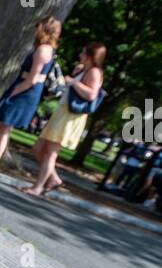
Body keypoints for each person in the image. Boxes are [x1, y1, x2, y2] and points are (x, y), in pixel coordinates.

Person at [0, 16, 62, 182]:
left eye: (39, 26)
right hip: (27, 91)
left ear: (45, 29)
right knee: (4, 129)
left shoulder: (43, 49)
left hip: (24, 91)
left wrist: (14, 92)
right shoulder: (48, 49)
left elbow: (32, 79)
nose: (36, 29)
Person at [21, 42, 106, 198]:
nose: (80, 55)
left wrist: (73, 82)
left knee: (50, 153)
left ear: (90, 55)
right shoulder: (85, 70)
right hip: (62, 112)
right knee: (38, 148)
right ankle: (53, 178)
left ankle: (38, 187)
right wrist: (76, 76)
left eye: (83, 52)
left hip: (70, 116)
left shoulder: (94, 72)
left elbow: (91, 95)